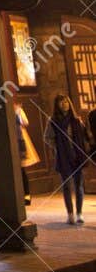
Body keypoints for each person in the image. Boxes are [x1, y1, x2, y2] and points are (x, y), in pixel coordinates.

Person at [46, 95, 89, 223]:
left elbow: (84, 136)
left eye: (66, 102)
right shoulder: (53, 121)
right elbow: (48, 138)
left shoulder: (76, 120)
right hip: (63, 156)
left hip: (77, 155)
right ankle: (70, 214)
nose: (64, 104)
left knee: (78, 185)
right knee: (66, 186)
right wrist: (57, 148)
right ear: (57, 105)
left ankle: (79, 213)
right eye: (61, 102)